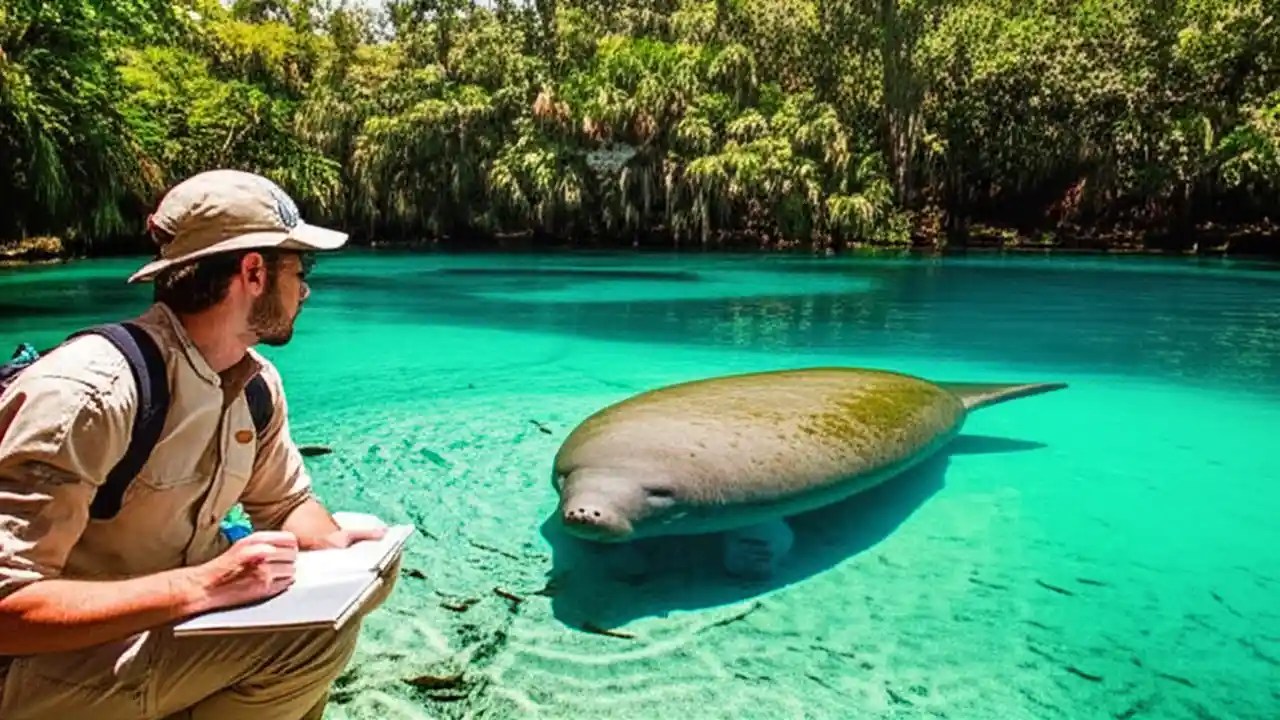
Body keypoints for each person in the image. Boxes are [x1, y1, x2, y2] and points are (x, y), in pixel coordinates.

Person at [0, 169, 398, 719]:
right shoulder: (89, 394)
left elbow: (283, 505)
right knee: (307, 644)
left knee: (353, 599)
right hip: (48, 665)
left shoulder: (255, 384)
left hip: (162, 628)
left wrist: (337, 545)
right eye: (299, 270)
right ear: (253, 272)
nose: (305, 290)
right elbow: (7, 609)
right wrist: (205, 586)